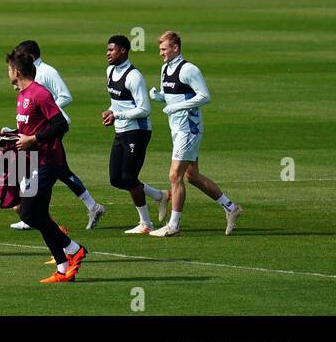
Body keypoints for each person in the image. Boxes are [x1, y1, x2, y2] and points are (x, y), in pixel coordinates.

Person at [0, 50, 87, 283]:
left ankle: (73, 249)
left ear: (16, 71)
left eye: (8, 69)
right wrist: (2, 136)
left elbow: (61, 125)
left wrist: (34, 140)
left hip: (47, 162)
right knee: (38, 214)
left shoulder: (39, 94)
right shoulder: (22, 95)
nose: (7, 73)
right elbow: (25, 132)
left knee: (29, 213)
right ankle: (63, 269)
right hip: (33, 161)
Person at [148, 31, 243, 237]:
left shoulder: (189, 69)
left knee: (175, 175)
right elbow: (174, 96)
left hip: (190, 129)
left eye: (164, 49)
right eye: (160, 50)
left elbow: (204, 96)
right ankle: (231, 208)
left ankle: (174, 225)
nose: (161, 53)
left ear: (176, 48)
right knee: (192, 176)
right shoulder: (165, 68)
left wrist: (177, 107)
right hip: (177, 129)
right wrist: (159, 97)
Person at [7, 41, 105, 231]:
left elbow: (65, 96)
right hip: (39, 129)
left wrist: (48, 114)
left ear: (30, 57)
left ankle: (33, 213)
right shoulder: (28, 77)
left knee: (50, 168)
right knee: (58, 170)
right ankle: (90, 206)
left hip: (51, 128)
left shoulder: (47, 72)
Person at [101, 35, 169, 234]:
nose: (107, 53)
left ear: (122, 50)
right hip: (121, 130)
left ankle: (146, 224)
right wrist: (110, 111)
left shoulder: (134, 76)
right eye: (107, 50)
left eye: (111, 50)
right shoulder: (110, 71)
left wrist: (117, 114)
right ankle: (159, 196)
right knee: (116, 179)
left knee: (129, 177)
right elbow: (117, 102)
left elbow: (144, 109)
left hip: (137, 131)